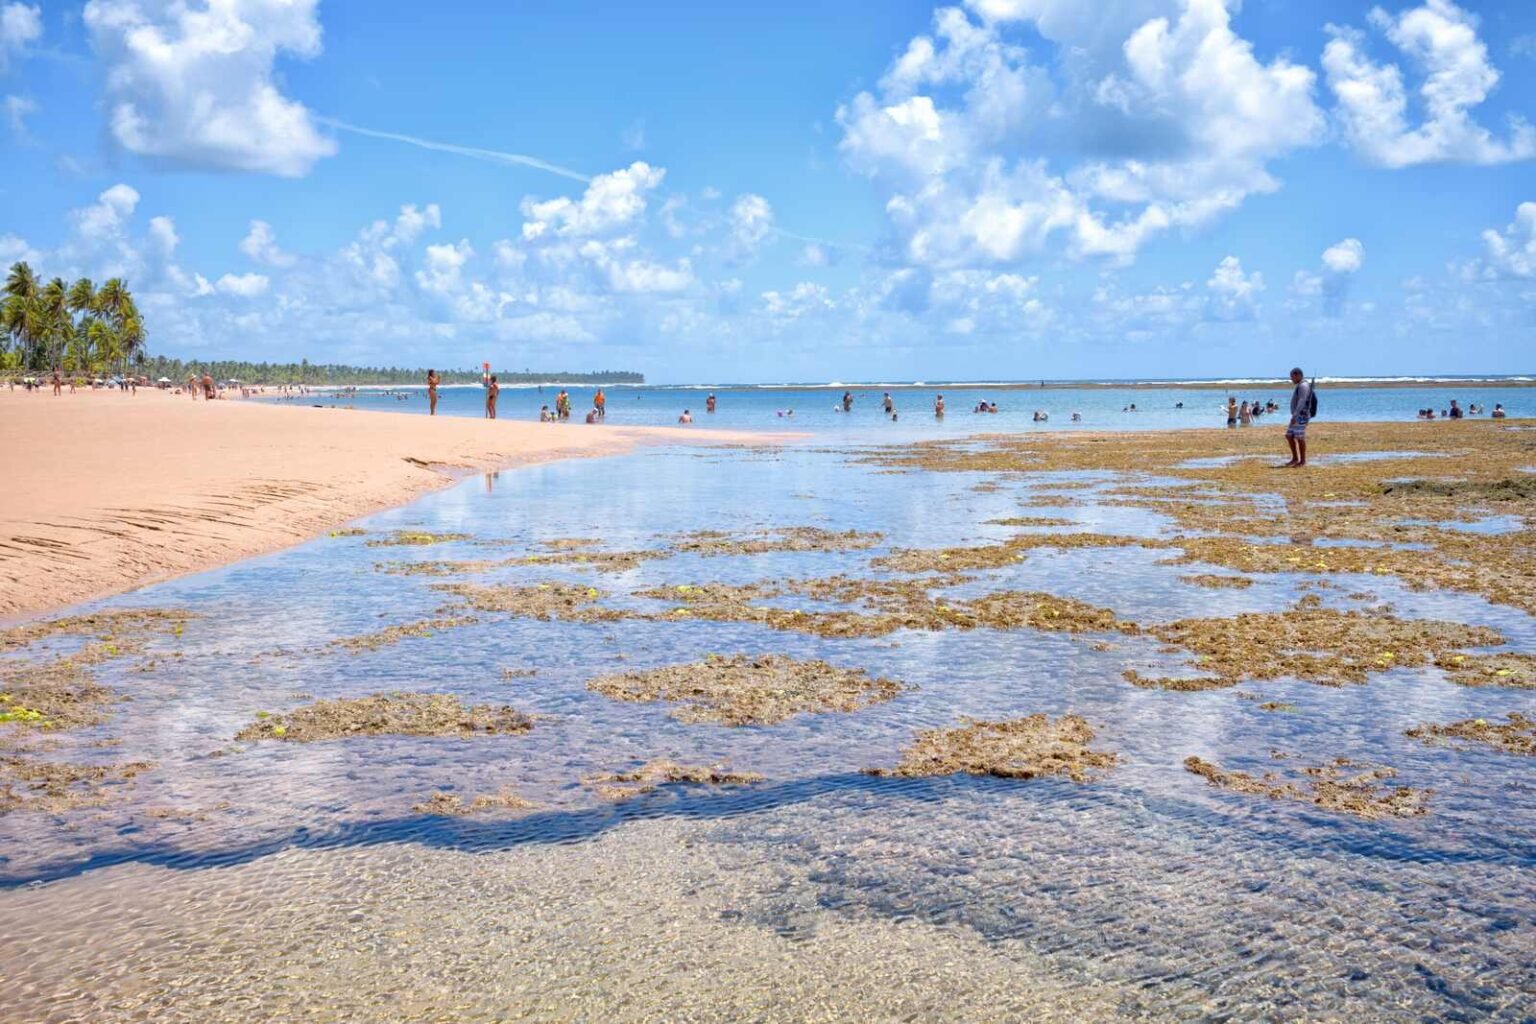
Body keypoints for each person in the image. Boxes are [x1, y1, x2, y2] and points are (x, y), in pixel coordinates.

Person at [1283, 367, 1312, 468]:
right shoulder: (1300, 385)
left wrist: (1295, 415)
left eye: (1292, 377)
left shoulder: (1303, 386)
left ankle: (1302, 461)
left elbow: (1302, 401)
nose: (1291, 379)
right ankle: (1295, 458)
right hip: (1297, 415)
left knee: (1300, 437)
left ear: (1298, 375)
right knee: (1289, 435)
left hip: (1301, 416)